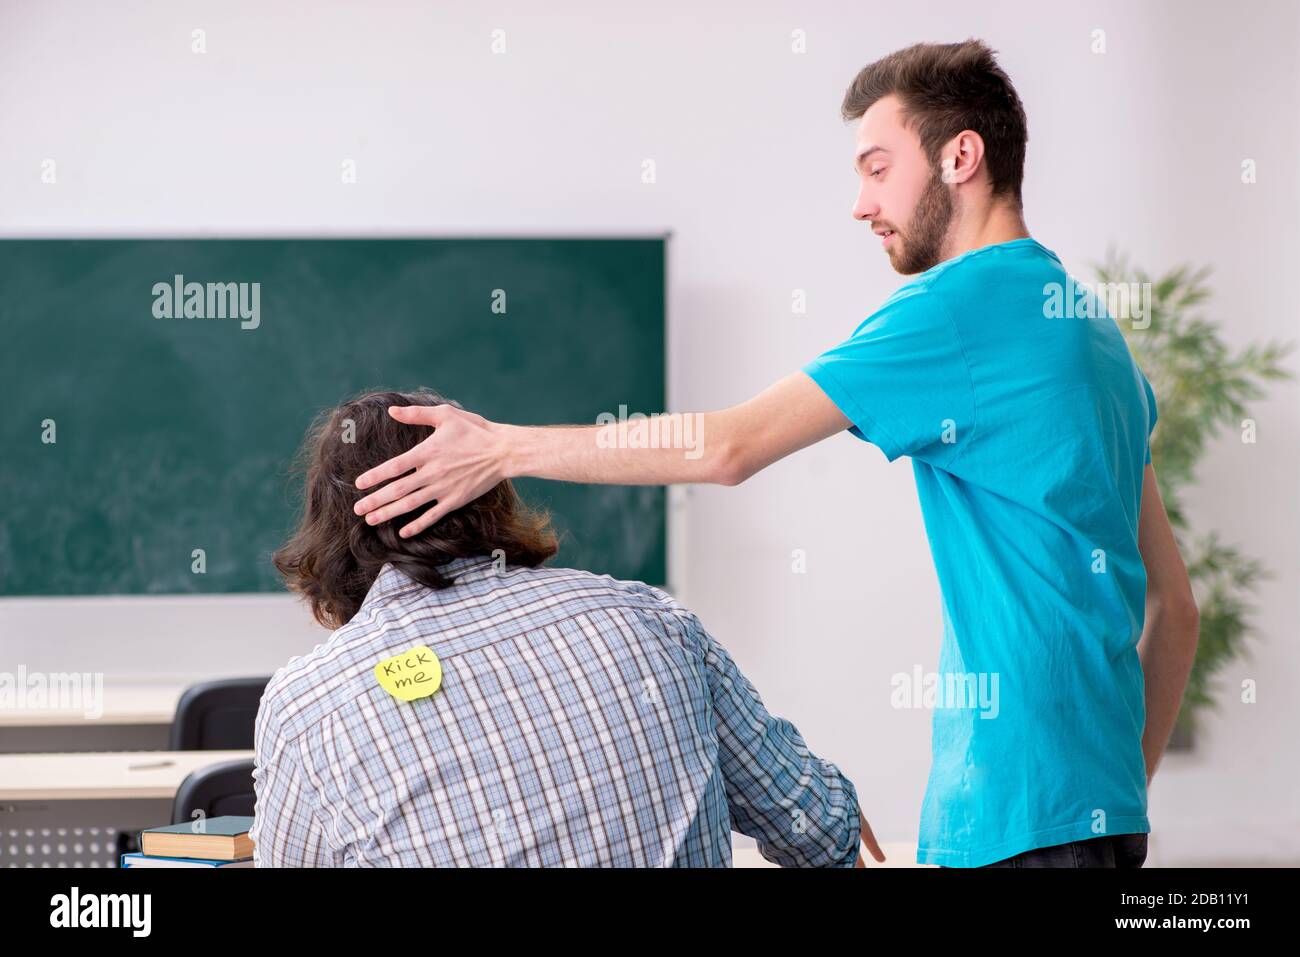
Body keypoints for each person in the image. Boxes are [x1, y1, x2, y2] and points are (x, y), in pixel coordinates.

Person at [351, 40, 1200, 868]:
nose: (861, 204)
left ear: (960, 157)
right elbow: (1177, 605)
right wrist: (1117, 793)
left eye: (876, 167)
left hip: (1016, 814)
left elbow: (727, 446)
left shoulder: (955, 309)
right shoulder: (1086, 325)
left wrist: (503, 447)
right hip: (1101, 811)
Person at [250, 388, 883, 867]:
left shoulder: (308, 707)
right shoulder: (648, 621)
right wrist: (832, 815)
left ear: (331, 531)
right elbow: (819, 832)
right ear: (491, 491)